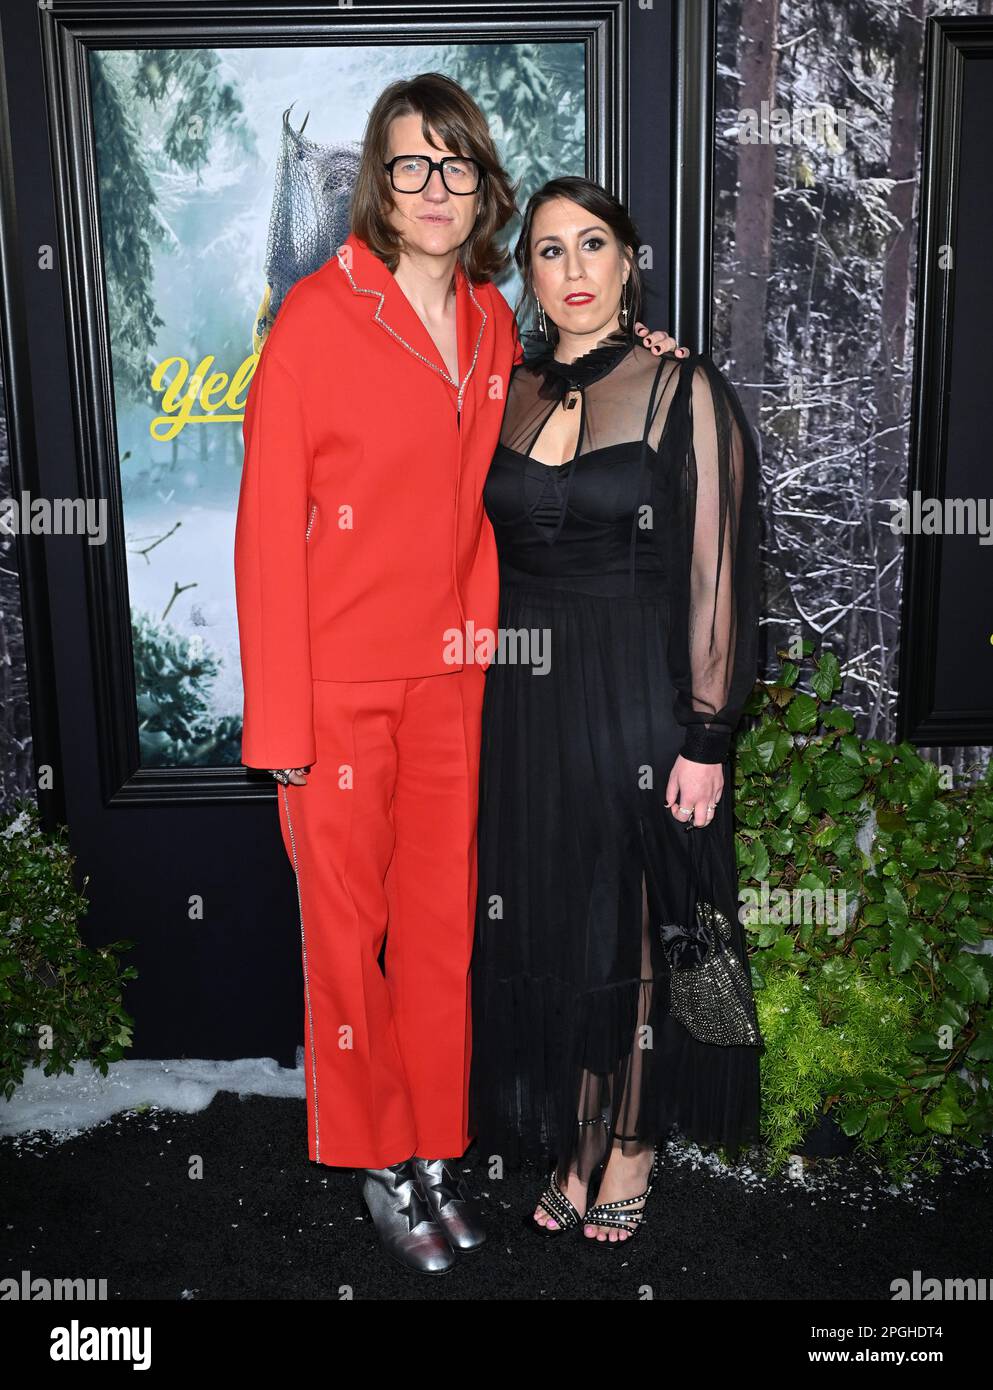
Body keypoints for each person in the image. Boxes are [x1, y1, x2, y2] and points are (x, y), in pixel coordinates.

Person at [233, 75, 682, 1275]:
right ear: (377, 186)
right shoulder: (316, 320)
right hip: (333, 691)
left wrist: (645, 348)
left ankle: (433, 1143)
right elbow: (266, 525)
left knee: (440, 930)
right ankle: (375, 1155)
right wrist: (278, 717)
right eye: (407, 167)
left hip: (453, 686)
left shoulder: (491, 319)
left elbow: (561, 398)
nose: (434, 189)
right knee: (348, 934)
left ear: (481, 180)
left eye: (455, 166)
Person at [469, 176, 766, 1245]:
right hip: (527, 705)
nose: (574, 269)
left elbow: (719, 567)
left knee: (648, 923)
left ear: (630, 258)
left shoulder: (684, 387)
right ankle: (580, 1130)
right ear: (530, 275)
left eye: (593, 244)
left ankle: (635, 1137)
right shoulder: (505, 386)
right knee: (562, 916)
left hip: (642, 697)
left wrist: (708, 732)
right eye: (548, 251)